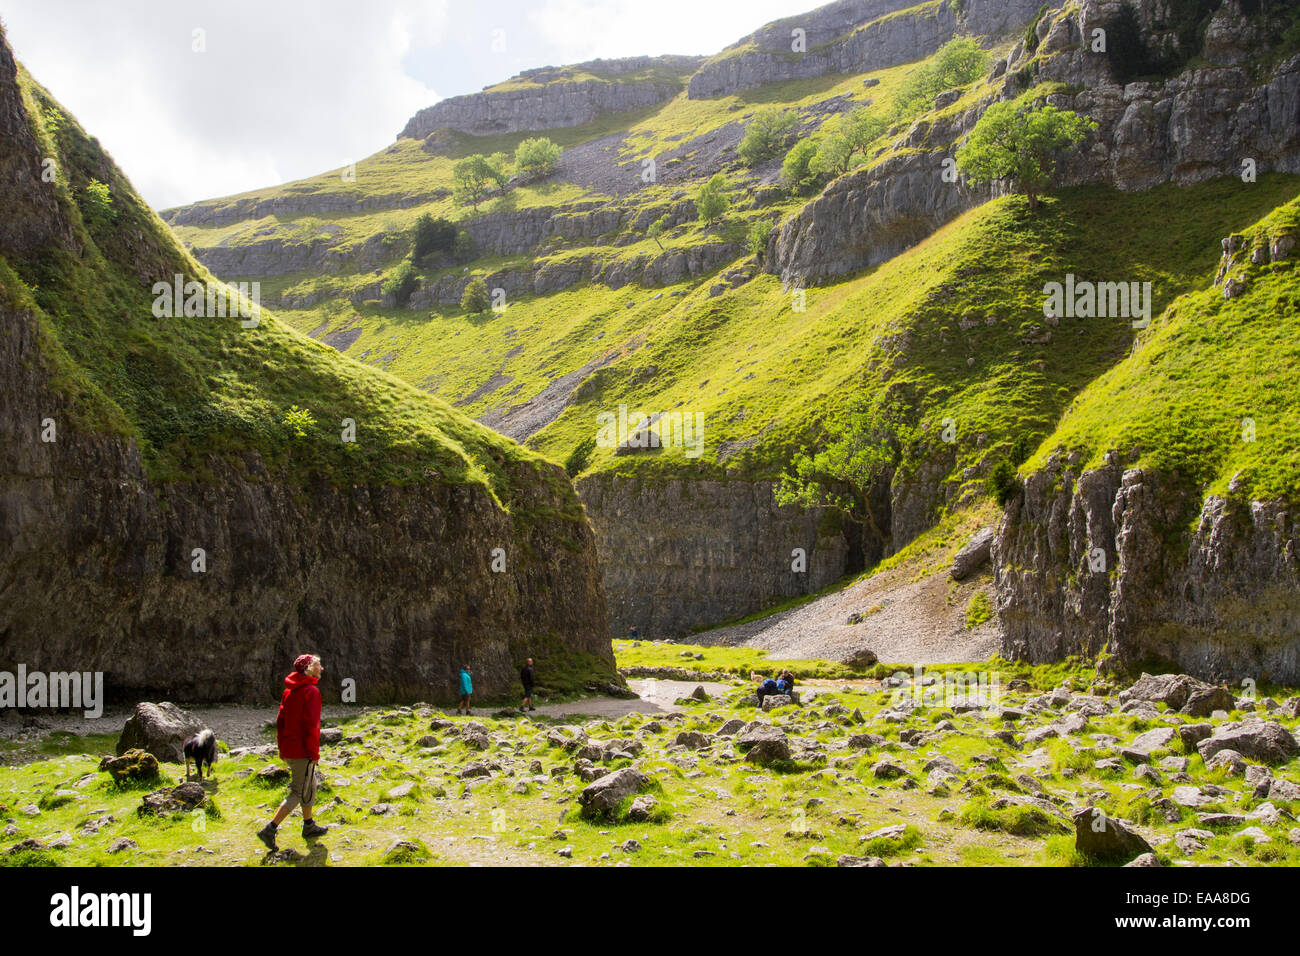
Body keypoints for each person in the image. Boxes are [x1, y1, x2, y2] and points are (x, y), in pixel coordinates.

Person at [256, 654, 328, 851]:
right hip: (302, 751)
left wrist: (282, 747)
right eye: (318, 665)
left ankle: (309, 825)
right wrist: (314, 753)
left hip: (289, 748)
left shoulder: (289, 691)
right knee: (298, 790)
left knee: (310, 784)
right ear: (308, 669)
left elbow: (281, 722)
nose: (321, 669)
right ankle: (270, 829)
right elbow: (311, 726)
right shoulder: (311, 692)